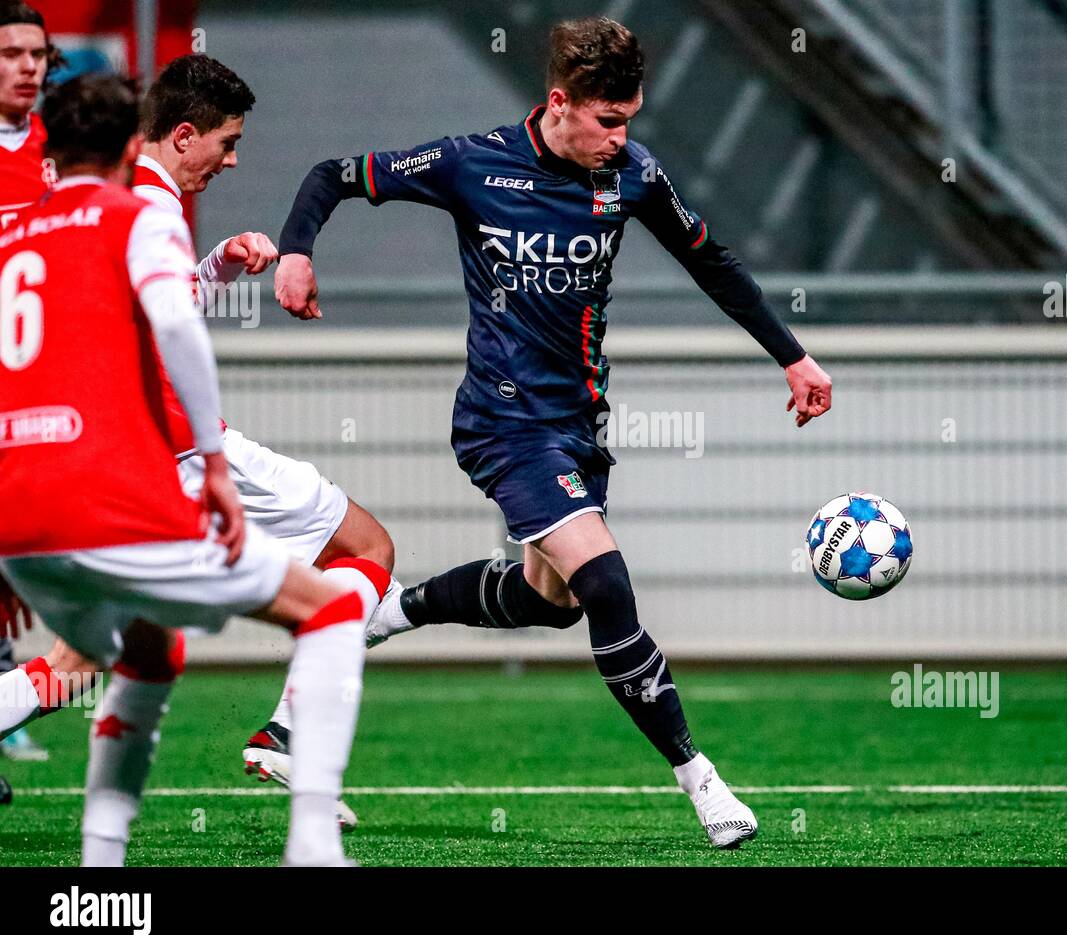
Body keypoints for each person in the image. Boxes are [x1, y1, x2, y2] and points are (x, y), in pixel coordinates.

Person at [276, 16, 832, 848]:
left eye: (631, 120)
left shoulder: (633, 176)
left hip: (577, 426)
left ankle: (388, 615)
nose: (622, 138)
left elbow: (712, 263)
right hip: (503, 423)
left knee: (554, 602)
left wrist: (793, 357)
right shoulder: (471, 163)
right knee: (606, 581)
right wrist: (295, 252)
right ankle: (701, 780)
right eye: (609, 121)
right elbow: (336, 174)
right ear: (559, 103)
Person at [0, 57, 409, 830]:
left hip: (74, 467)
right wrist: (212, 462)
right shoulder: (142, 205)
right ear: (174, 136)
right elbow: (172, 332)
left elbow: (132, 317)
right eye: (225, 143)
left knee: (82, 664)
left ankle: (107, 863)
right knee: (364, 547)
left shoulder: (50, 218)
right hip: (177, 454)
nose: (232, 159)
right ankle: (296, 763)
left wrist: (215, 265)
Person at [0, 0, 54, 762]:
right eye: (13, 53)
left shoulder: (65, 147)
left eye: (38, 55)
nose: (28, 67)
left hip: (42, 400)